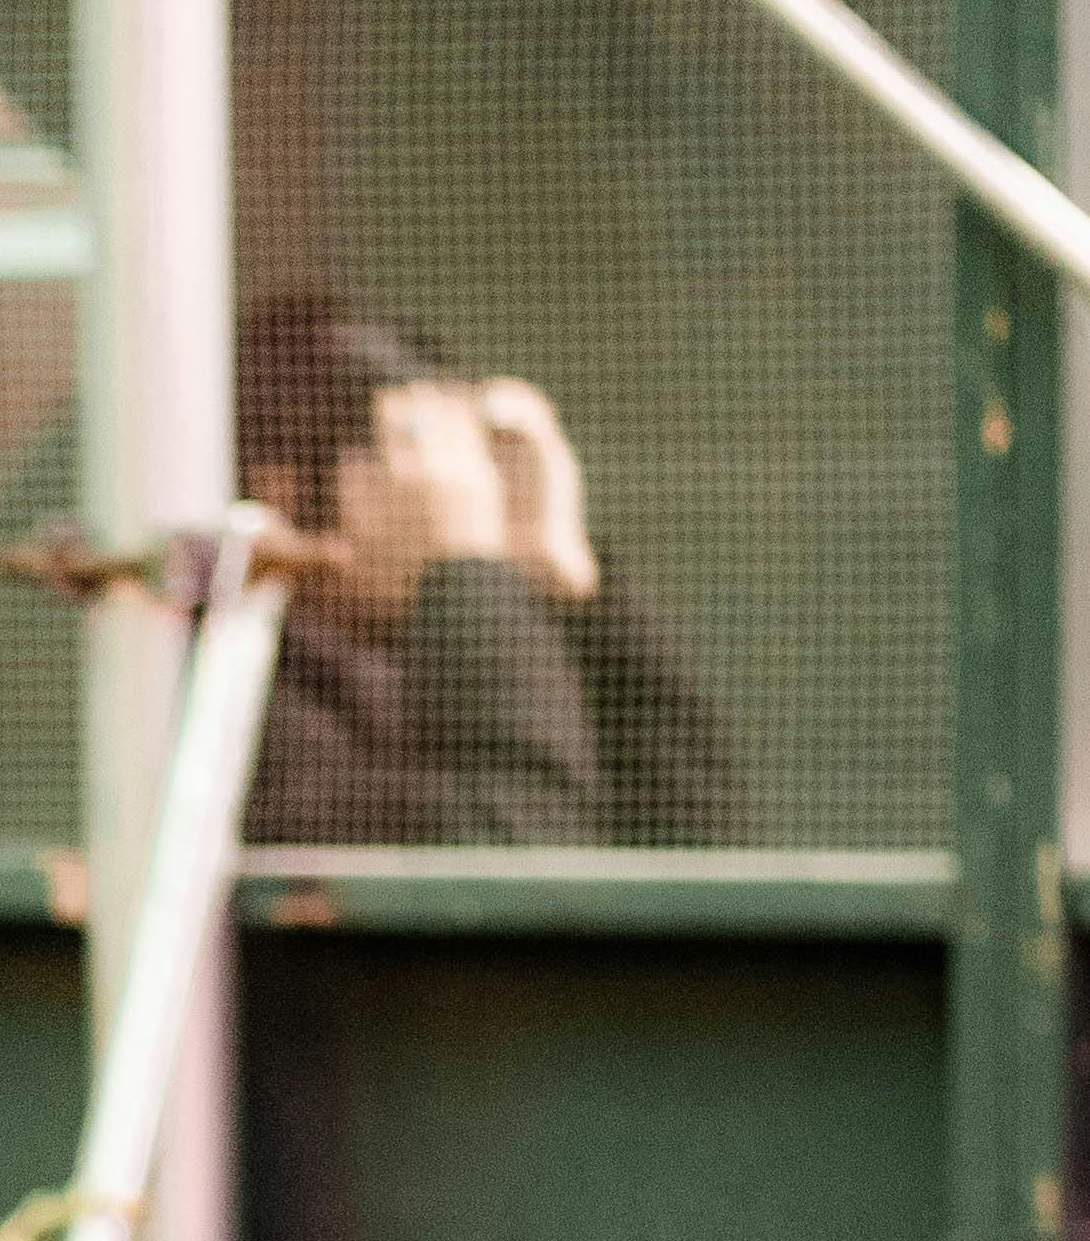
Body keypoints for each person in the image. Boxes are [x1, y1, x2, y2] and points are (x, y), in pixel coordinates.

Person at [235, 290, 741, 848]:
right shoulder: (250, 707)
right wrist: (463, 570)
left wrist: (575, 591)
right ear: (279, 491)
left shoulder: (425, 659)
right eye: (417, 461)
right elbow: (523, 874)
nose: (468, 500)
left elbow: (702, 871)